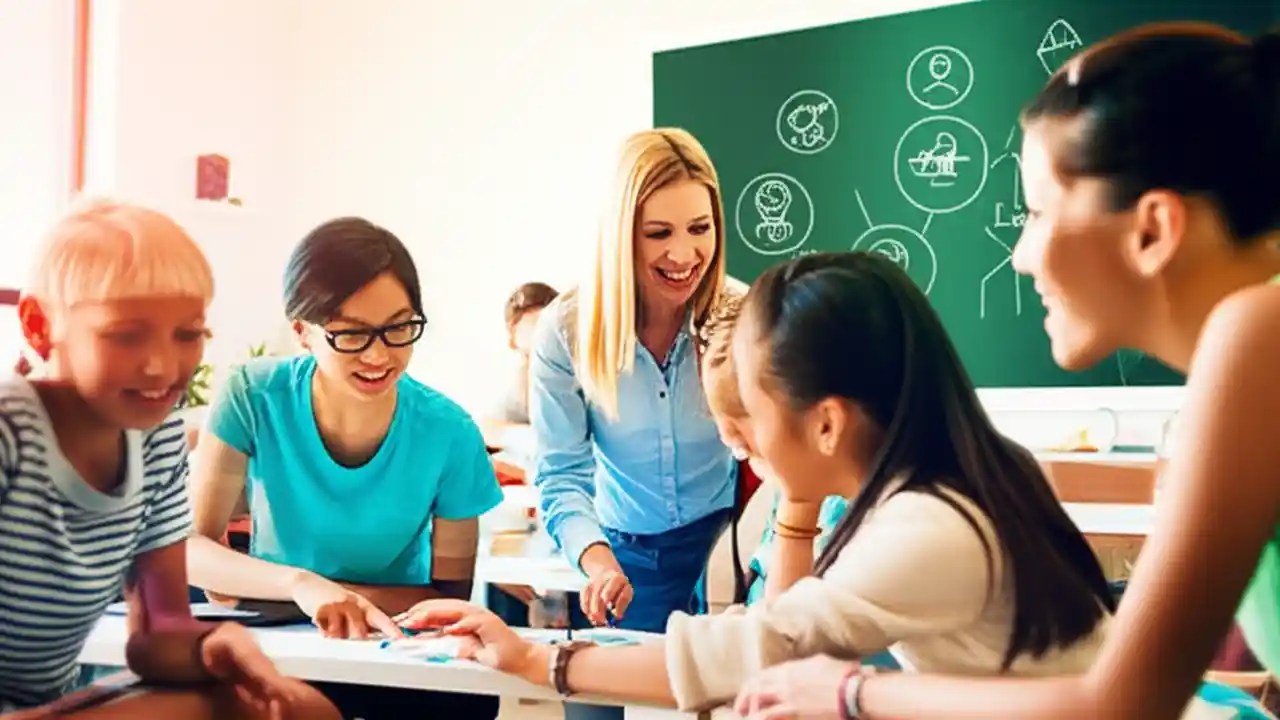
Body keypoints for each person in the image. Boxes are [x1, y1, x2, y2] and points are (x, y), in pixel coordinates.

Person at [732, 22, 1280, 720]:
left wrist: (850, 692)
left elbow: (1127, 701)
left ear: (1153, 230)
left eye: (1036, 212)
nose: (1019, 256)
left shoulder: (1254, 334)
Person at [390, 251, 1118, 714]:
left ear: (826, 425)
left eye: (753, 418)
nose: (741, 444)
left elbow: (766, 651)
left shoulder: (926, 526)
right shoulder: (948, 479)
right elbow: (777, 636)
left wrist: (536, 658)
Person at [0, 200, 336, 718]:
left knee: (300, 709)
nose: (162, 367)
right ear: (40, 325)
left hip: (43, 702)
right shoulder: (9, 433)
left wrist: (210, 644)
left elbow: (157, 632)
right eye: (126, 336)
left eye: (188, 334)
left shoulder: (153, 440)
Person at [185, 217, 503, 718]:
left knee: (472, 700)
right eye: (350, 334)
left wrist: (317, 595)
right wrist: (301, 586)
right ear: (302, 333)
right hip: (278, 645)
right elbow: (193, 552)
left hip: (391, 645)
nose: (380, 355)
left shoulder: (450, 432)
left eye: (399, 327)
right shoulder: (252, 395)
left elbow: (446, 597)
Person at [528, 127, 738, 634]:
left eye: (700, 228)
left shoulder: (741, 315)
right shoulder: (566, 330)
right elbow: (561, 476)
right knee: (596, 707)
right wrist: (597, 563)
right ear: (621, 233)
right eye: (659, 233)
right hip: (622, 561)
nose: (685, 255)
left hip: (728, 551)